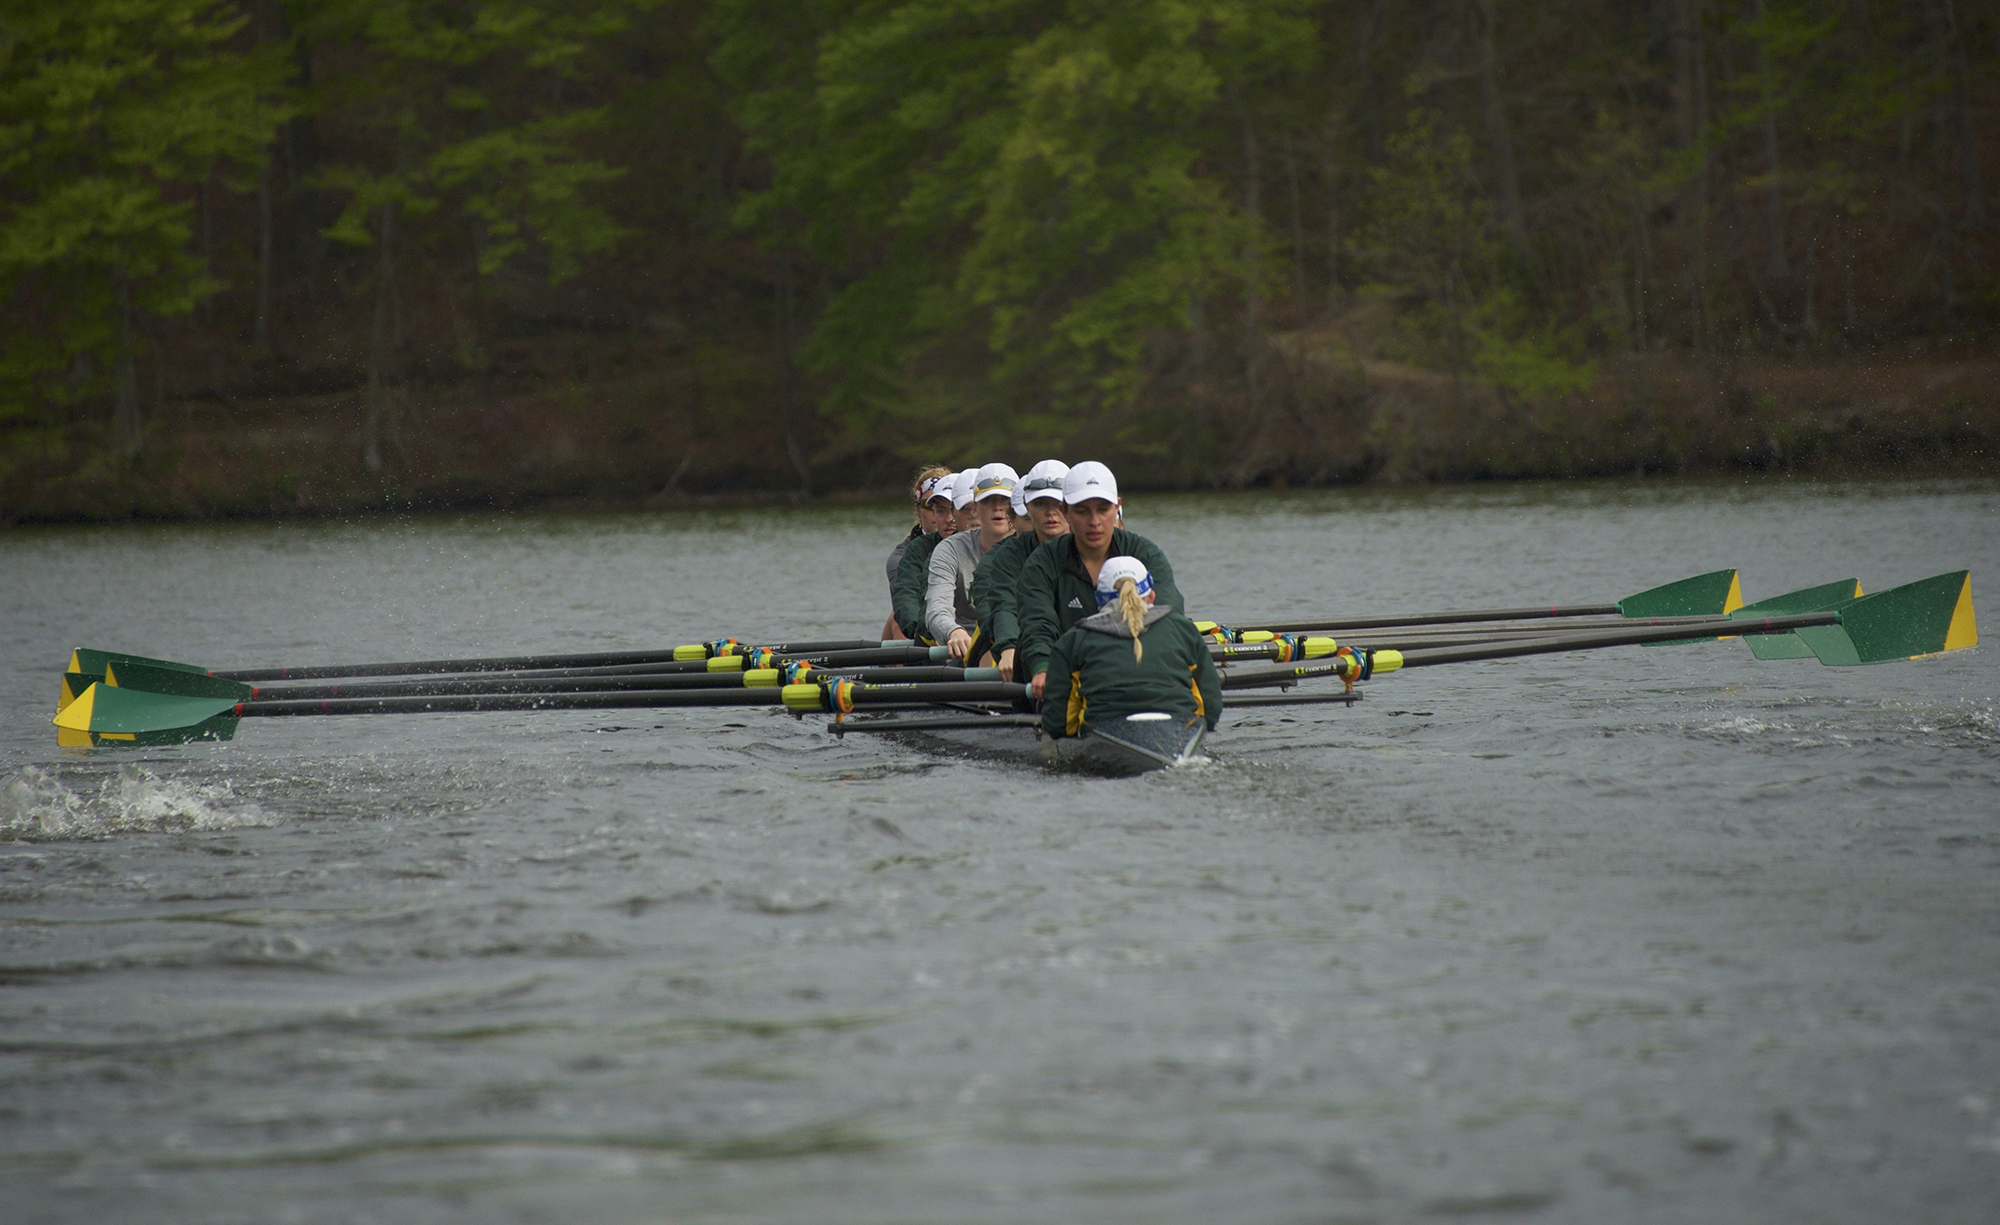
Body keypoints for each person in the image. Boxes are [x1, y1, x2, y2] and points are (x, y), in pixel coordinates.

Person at [1014, 461, 1184, 700]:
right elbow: (1037, 622)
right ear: (1065, 512)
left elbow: (1168, 611)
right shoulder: (1042, 562)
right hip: (1065, 676)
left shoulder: (1144, 553)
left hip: (1136, 667)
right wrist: (1042, 667)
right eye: (1082, 511)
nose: (1094, 521)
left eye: (1103, 509)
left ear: (1117, 508)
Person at [1040, 556, 1220, 738]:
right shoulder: (1184, 629)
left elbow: (1060, 723)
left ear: (1099, 602)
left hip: (1105, 733)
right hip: (1178, 728)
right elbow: (1210, 705)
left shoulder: (1072, 640)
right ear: (1151, 596)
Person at [969, 459, 1069, 680]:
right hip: (1017, 645)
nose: (1051, 513)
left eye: (1057, 504)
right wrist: (1008, 647)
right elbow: (1000, 606)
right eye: (1040, 505)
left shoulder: (1095, 546)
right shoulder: (1005, 556)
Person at [927, 462, 1017, 660]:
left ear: (1018, 506)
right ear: (975, 509)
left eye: (1005, 500)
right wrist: (953, 631)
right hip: (966, 648)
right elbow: (937, 608)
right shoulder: (949, 549)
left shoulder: (1032, 546)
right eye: (989, 500)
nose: (998, 508)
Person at [884, 466, 953, 639]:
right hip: (925, 630)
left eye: (952, 505)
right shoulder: (901, 558)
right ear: (917, 511)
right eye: (934, 507)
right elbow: (907, 604)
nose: (948, 517)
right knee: (895, 620)